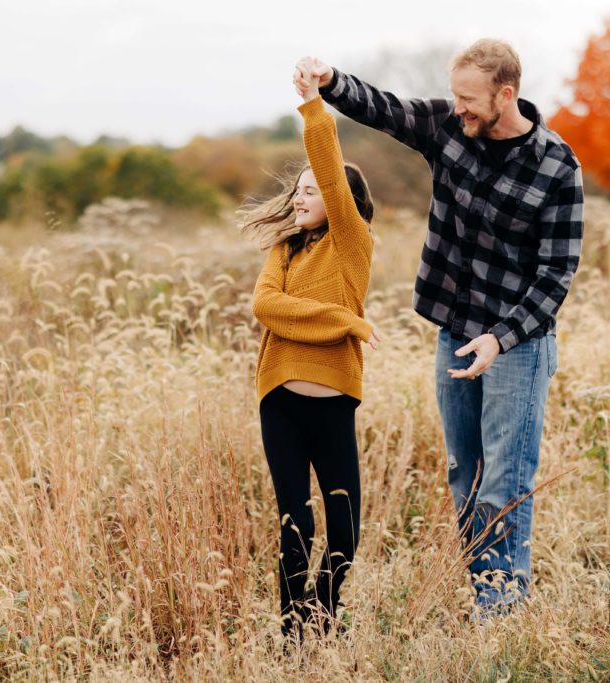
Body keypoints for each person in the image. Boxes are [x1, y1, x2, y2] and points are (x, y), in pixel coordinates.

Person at [294, 39, 584, 619]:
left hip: (517, 345)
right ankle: (488, 594)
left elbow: (557, 274)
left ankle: (501, 612)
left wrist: (501, 337)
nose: (459, 108)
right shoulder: (448, 128)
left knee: (504, 479)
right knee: (464, 475)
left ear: (506, 94)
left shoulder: (557, 166)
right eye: (454, 96)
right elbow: (384, 108)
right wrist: (330, 81)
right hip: (455, 331)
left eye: (469, 98)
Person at [240, 63, 382, 645]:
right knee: (294, 523)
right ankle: (290, 637)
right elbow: (266, 306)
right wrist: (344, 321)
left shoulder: (352, 245)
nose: (300, 196)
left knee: (345, 532)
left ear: (341, 202)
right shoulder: (286, 250)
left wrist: (314, 106)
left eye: (312, 190)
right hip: (280, 402)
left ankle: (318, 619)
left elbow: (327, 162)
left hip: (333, 404)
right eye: (296, 190)